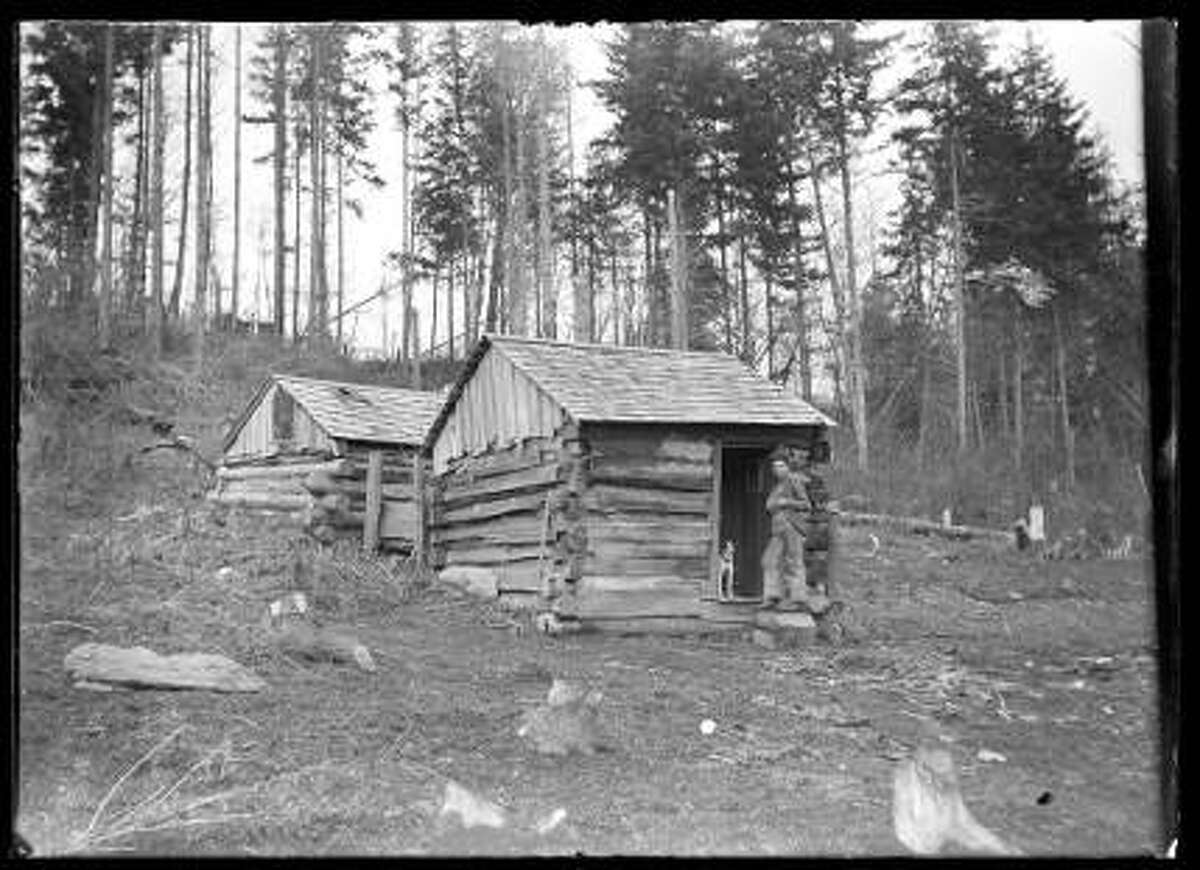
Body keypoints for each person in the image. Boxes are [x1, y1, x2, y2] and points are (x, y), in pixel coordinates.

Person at [760, 447, 812, 611]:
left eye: (781, 466)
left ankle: (798, 599)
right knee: (769, 560)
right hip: (778, 529)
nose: (778, 469)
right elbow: (769, 506)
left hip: (792, 526)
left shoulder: (793, 480)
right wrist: (774, 504)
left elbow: (806, 504)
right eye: (775, 466)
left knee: (793, 562)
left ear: (788, 467)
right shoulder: (777, 486)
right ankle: (773, 596)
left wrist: (786, 502)